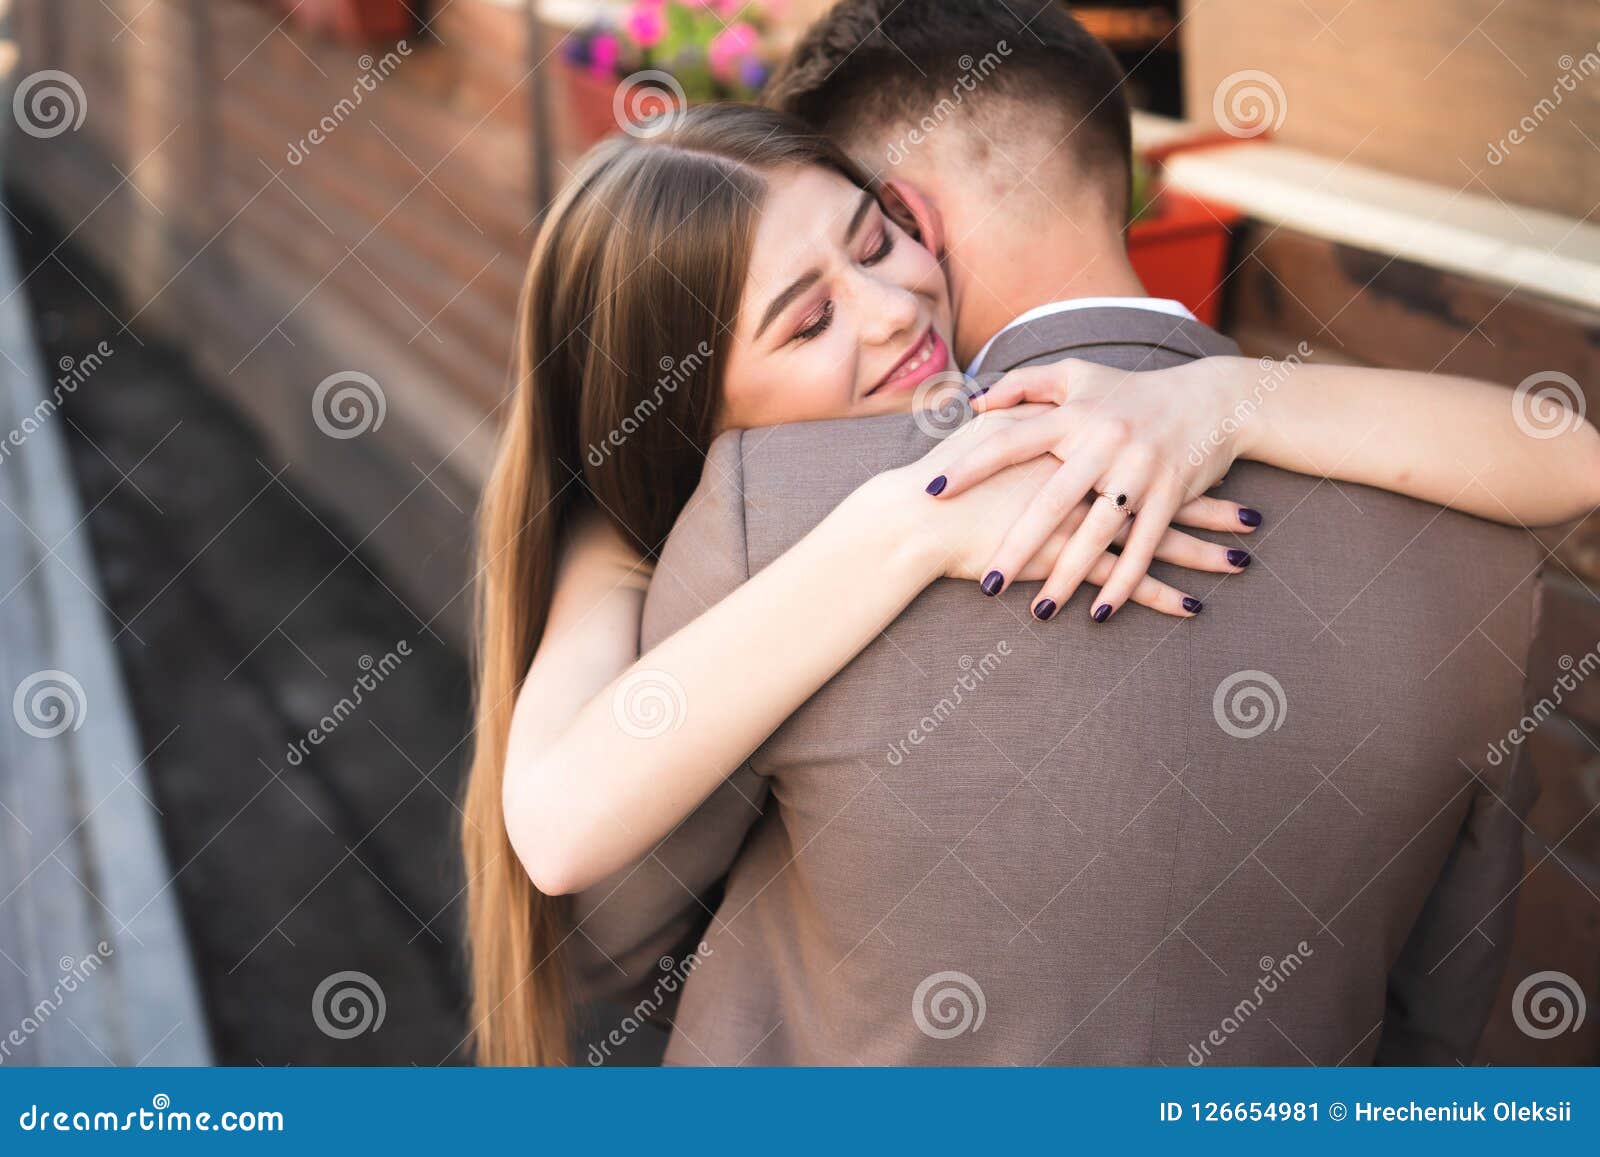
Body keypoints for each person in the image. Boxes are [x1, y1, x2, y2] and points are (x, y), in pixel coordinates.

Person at [462, 94, 1600, 1064]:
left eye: (876, 241)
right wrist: (902, 529)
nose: (894, 307)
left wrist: (1220, 400)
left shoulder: (1039, 434)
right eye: (808, 320)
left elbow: (614, 939)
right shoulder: (709, 538)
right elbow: (560, 841)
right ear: (687, 410)